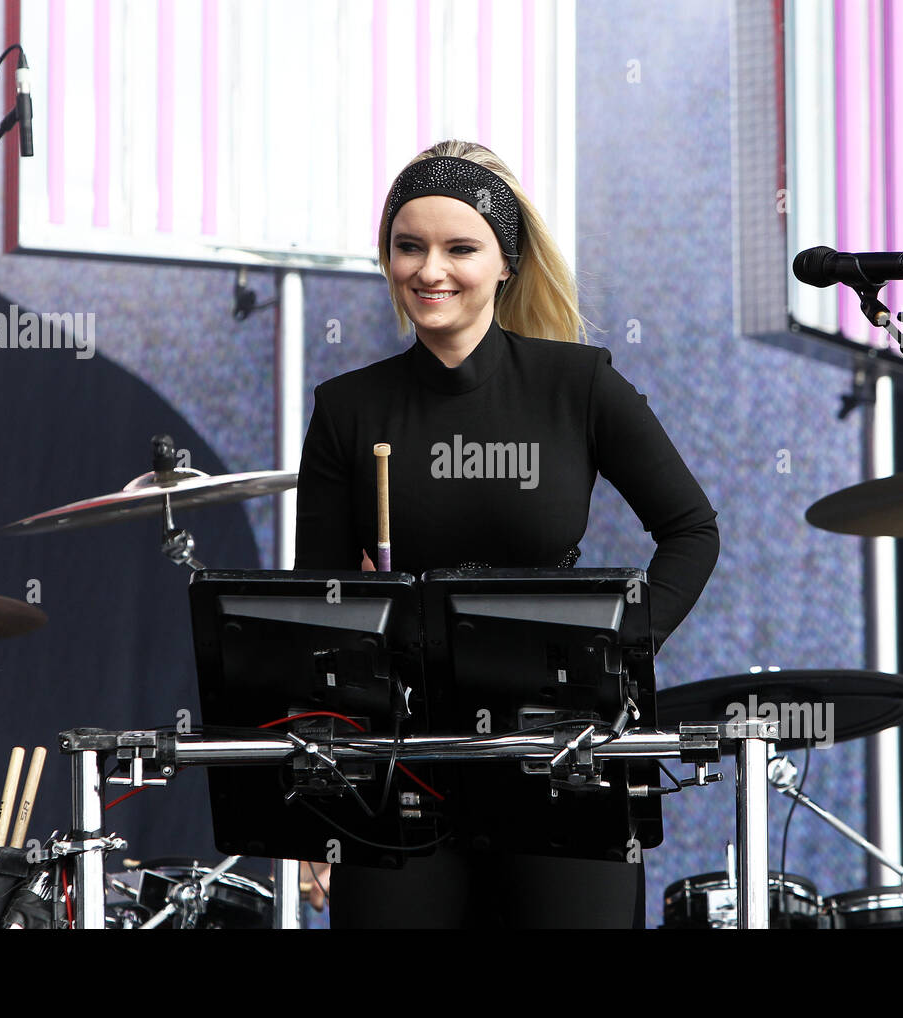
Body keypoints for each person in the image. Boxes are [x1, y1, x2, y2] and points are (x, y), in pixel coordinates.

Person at [293, 139, 719, 928]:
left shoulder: (580, 383)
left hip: (564, 759)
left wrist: (618, 658)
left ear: (505, 262)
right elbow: (313, 614)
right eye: (408, 246)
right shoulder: (346, 409)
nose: (431, 270)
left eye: (461, 247)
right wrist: (318, 811)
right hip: (402, 769)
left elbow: (692, 530)